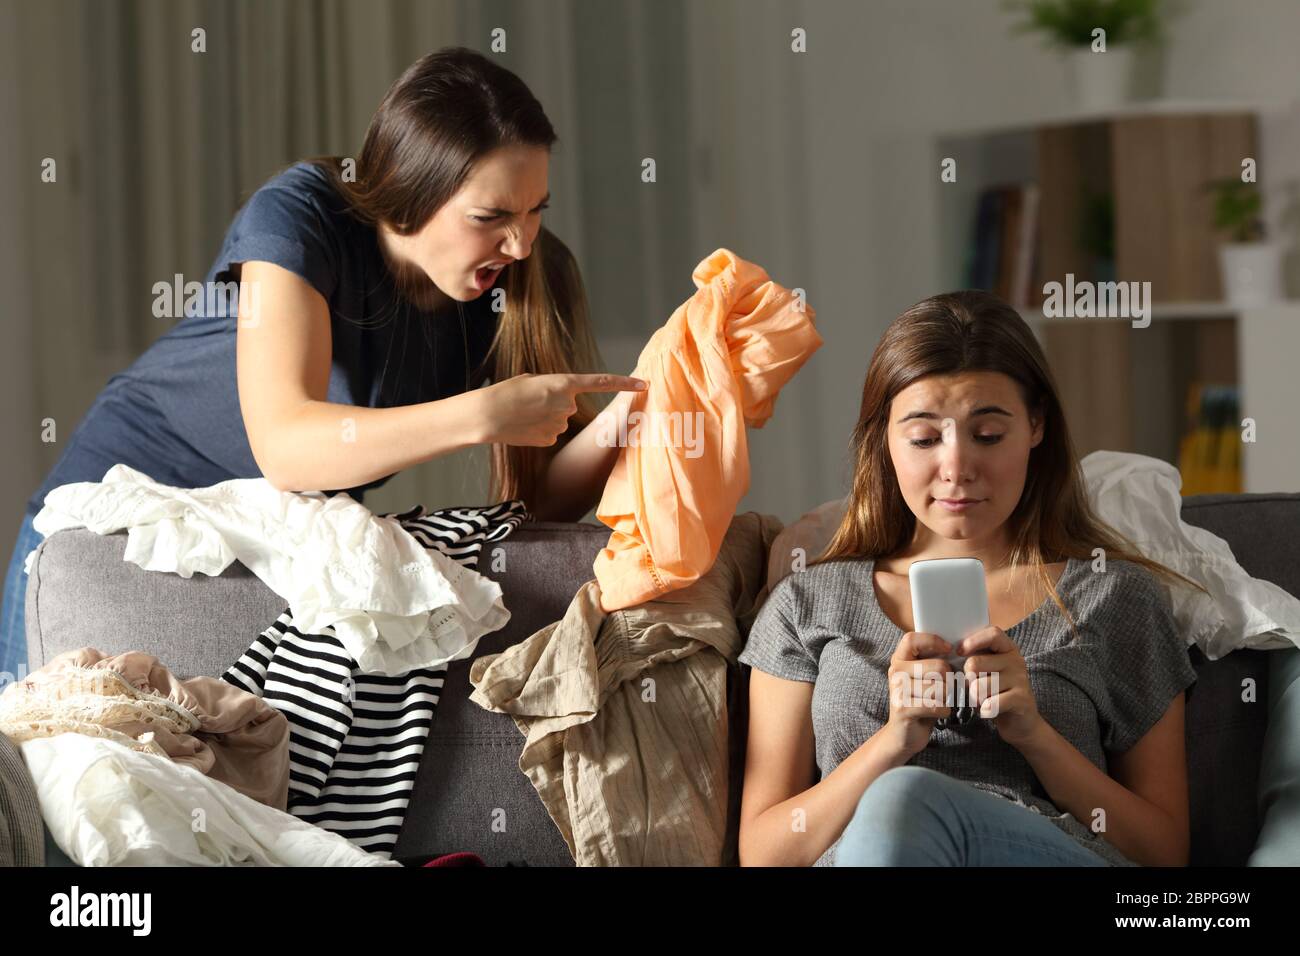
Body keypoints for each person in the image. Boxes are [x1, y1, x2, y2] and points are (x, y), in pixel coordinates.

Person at [0, 46, 647, 682]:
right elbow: (286, 447)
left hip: (263, 549)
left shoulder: (521, 277)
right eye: (490, 216)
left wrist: (632, 414)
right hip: (112, 523)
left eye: (538, 209)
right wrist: (480, 415)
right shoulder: (301, 216)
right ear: (411, 194)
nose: (521, 240)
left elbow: (543, 503)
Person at [737, 290, 1211, 867]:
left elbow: (1164, 855)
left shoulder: (1114, 596)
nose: (957, 467)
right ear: (884, 440)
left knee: (908, 799)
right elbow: (762, 856)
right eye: (924, 438)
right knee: (900, 798)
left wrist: (1034, 734)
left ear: (1036, 426)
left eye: (987, 435)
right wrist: (893, 744)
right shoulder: (806, 603)